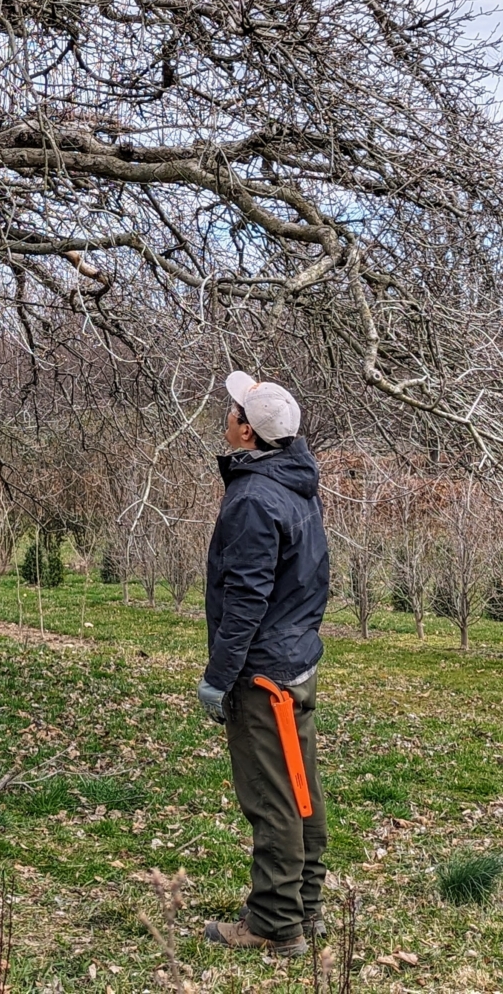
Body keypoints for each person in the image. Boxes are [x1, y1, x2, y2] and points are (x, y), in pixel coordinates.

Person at [198, 372, 330, 959]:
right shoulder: (296, 483)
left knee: (270, 795)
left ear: (246, 432)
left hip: (264, 673)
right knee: (300, 786)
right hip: (295, 659)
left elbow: (246, 599)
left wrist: (220, 677)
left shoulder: (253, 499)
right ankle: (306, 904)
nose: (226, 414)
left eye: (232, 411)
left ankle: (277, 923)